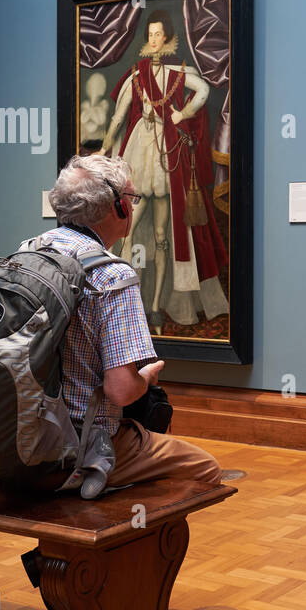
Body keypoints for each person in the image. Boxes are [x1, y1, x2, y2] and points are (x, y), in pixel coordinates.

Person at [42, 153, 223, 489]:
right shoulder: (112, 275)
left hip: (15, 434)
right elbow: (122, 391)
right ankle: (107, 535)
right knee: (204, 470)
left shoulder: (25, 253)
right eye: (132, 198)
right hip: (78, 444)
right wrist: (145, 378)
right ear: (120, 207)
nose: (134, 206)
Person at [101, 9, 229, 330]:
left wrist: (180, 114)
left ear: (167, 38)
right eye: (150, 34)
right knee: (129, 234)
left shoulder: (176, 73)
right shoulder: (136, 74)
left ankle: (156, 305)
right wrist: (104, 149)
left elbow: (203, 91)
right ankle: (129, 300)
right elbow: (118, 118)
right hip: (139, 157)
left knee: (161, 236)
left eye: (159, 34)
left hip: (165, 161)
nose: (154, 40)